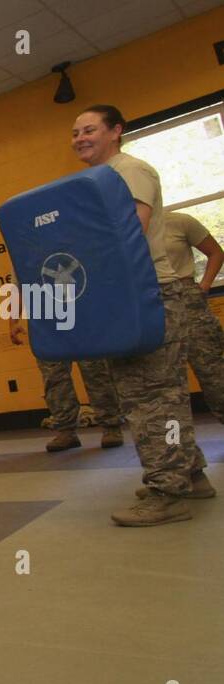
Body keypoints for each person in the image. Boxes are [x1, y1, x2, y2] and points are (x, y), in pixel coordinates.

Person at [70, 105, 213, 522]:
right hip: (132, 295)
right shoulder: (100, 177)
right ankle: (191, 474)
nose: (80, 138)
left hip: (147, 293)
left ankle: (167, 493)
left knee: (150, 397)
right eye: (75, 132)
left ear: (116, 131)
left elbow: (128, 229)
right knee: (160, 391)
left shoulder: (127, 170)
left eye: (90, 129)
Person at [161, 210, 224, 424]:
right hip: (151, 303)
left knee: (213, 370)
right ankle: (175, 442)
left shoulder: (179, 221)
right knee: (163, 378)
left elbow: (216, 252)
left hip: (187, 299)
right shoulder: (126, 229)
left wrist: (205, 285)